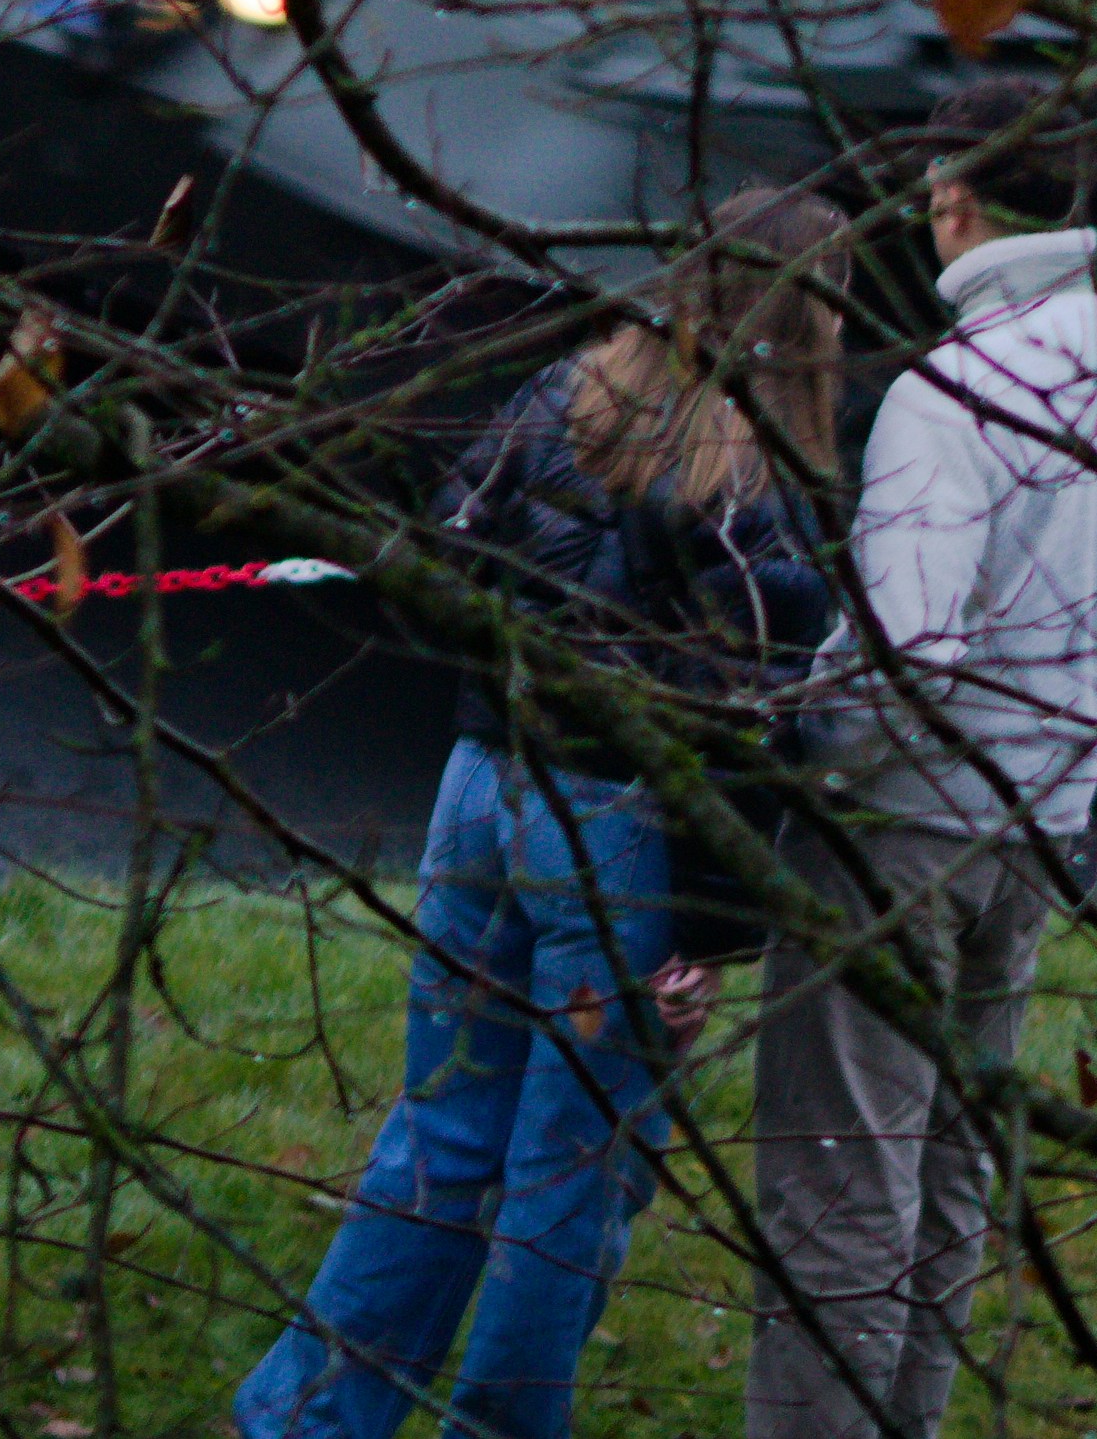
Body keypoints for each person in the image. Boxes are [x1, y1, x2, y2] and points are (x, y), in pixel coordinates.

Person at [244, 190, 852, 1439]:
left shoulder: (561, 390)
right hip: (616, 829)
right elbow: (752, 726)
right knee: (565, 1170)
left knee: (440, 1126)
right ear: (811, 319)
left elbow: (446, 557)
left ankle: (308, 1416)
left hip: (479, 782)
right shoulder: (757, 484)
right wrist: (704, 922)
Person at [745, 114, 1097, 1439]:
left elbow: (907, 647)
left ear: (950, 204)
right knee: (949, 1182)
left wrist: (798, 748)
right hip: (1039, 827)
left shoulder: (955, 389)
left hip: (900, 833)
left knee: (842, 1185)